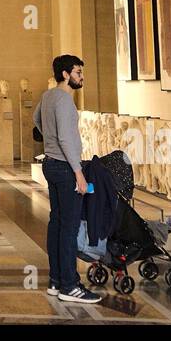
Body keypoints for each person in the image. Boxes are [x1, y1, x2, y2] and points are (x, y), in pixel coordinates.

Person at [34, 54, 100, 303]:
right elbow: (65, 138)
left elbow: (36, 119)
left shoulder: (48, 95)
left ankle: (56, 281)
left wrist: (47, 138)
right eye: (77, 72)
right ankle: (70, 286)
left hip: (51, 165)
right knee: (69, 228)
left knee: (58, 224)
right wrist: (78, 172)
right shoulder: (62, 100)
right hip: (64, 167)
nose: (81, 77)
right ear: (65, 74)